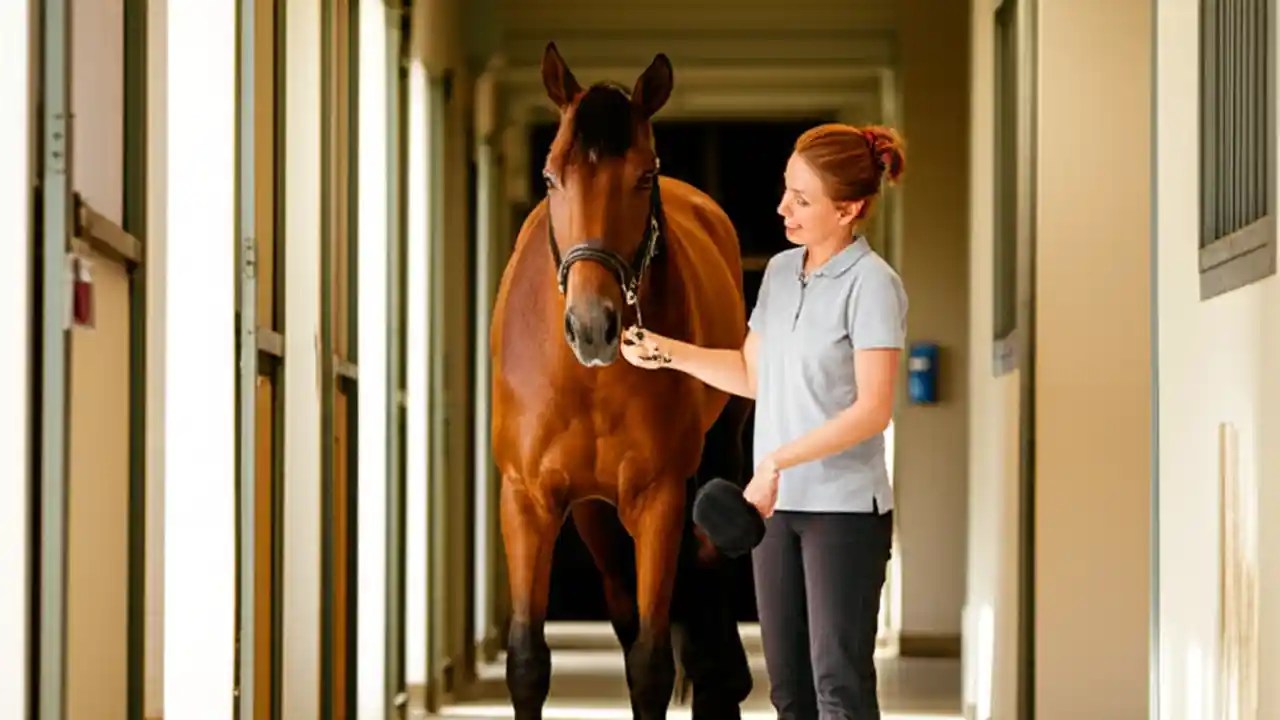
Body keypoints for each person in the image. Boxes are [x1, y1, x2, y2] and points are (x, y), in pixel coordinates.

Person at [620, 122, 908, 719]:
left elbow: (874, 409)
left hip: (845, 513)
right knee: (789, 694)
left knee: (839, 687)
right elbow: (753, 375)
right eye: (786, 190)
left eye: (802, 200)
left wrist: (776, 457)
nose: (784, 208)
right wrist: (665, 350)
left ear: (850, 207)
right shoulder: (780, 273)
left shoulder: (873, 286)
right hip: (774, 514)